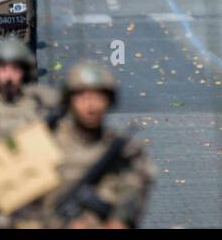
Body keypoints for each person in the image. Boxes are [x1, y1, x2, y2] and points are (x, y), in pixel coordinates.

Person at [38, 61, 154, 228]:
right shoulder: (46, 144)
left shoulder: (124, 151)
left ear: (109, 101)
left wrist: (120, 219)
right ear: (69, 101)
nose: (90, 106)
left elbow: (135, 192)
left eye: (99, 97)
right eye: (82, 97)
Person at [0, 36, 59, 139]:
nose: (9, 76)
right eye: (2, 68)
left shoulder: (40, 107)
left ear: (24, 72)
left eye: (15, 68)